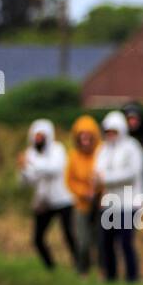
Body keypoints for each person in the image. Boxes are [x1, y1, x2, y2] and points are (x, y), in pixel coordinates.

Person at [93, 111, 143, 283]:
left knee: (125, 242)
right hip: (110, 203)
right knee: (106, 242)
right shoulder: (103, 150)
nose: (110, 135)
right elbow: (97, 172)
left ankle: (132, 278)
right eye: (107, 132)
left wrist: (106, 178)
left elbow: (131, 173)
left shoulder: (132, 147)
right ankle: (111, 277)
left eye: (113, 132)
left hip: (129, 203)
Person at [17, 118, 77, 270]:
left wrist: (32, 164)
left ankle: (80, 265)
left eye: (41, 136)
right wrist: (23, 169)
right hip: (43, 201)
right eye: (36, 136)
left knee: (69, 235)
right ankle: (51, 268)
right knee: (37, 238)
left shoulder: (58, 149)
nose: (38, 139)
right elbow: (26, 181)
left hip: (63, 199)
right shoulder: (31, 153)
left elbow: (55, 169)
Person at [64, 115, 102, 274]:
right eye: (82, 136)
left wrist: (98, 190)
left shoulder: (102, 152)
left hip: (100, 204)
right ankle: (82, 270)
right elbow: (69, 180)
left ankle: (102, 270)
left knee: (99, 240)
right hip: (81, 204)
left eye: (88, 136)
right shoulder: (73, 156)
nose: (85, 139)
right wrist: (83, 192)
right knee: (83, 240)